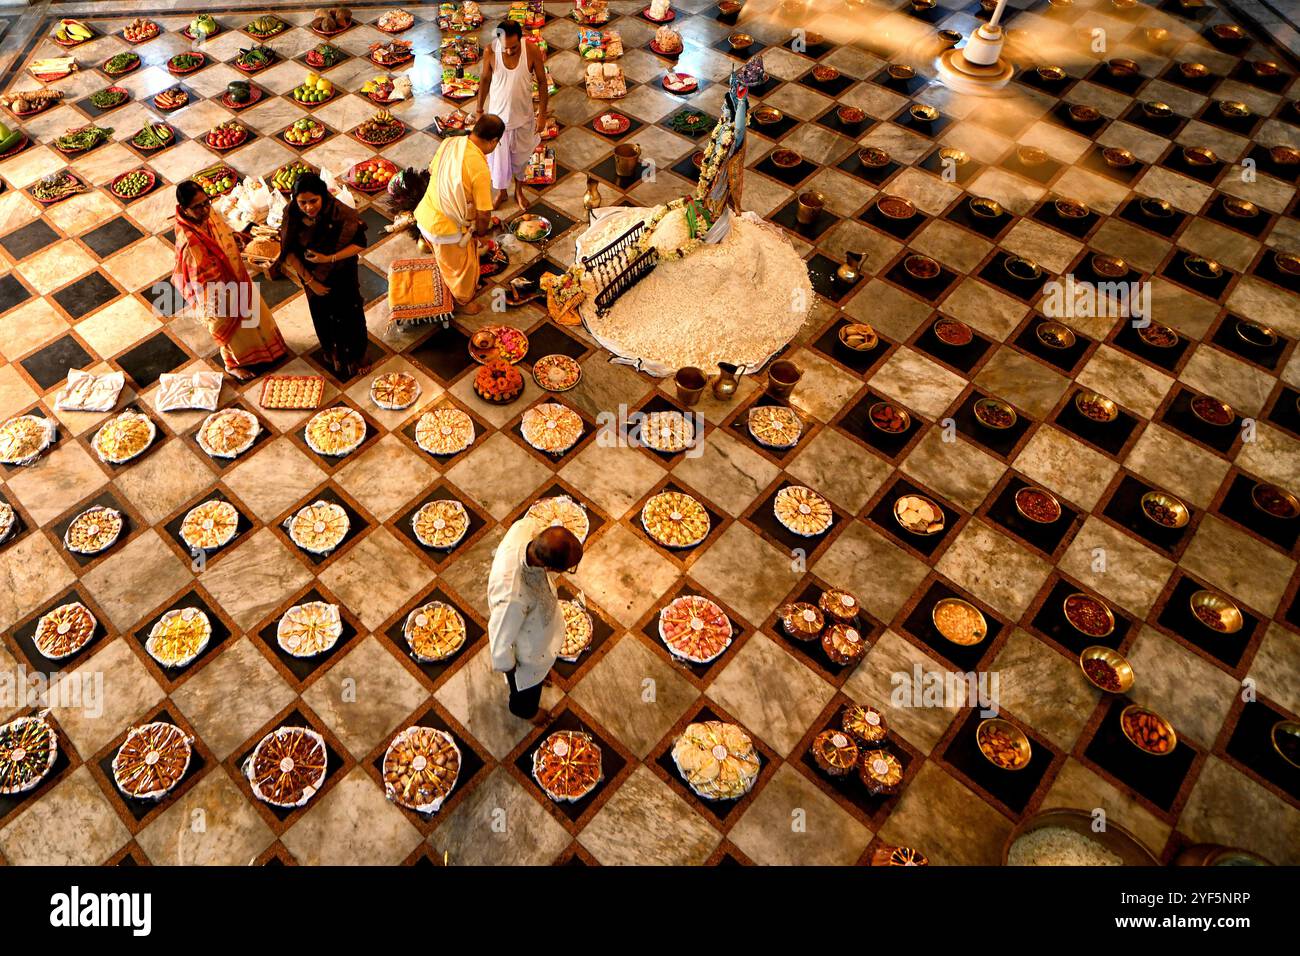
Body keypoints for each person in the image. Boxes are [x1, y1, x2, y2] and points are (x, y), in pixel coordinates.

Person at [171, 180, 287, 381]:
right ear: (184, 209)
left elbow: (221, 230)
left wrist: (233, 237)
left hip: (234, 276)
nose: (204, 209)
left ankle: (266, 351)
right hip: (216, 290)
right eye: (197, 207)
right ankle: (232, 365)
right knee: (227, 325)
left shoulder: (207, 213)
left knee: (252, 313)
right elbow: (200, 276)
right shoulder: (189, 241)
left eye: (206, 202)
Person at [270, 173, 370, 379]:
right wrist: (310, 281)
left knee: (350, 314)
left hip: (342, 272)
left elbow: (359, 244)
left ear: (323, 196)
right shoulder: (292, 214)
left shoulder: (341, 214)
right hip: (311, 276)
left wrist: (329, 258)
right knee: (323, 316)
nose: (308, 207)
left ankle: (357, 356)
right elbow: (288, 251)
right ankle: (334, 354)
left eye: (313, 201)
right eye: (302, 202)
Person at [486, 521, 584, 724]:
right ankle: (527, 712)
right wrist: (521, 672)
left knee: (537, 674)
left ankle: (540, 673)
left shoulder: (523, 532)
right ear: (548, 568)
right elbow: (499, 647)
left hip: (541, 640)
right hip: (527, 656)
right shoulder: (511, 596)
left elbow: (526, 521)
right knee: (526, 692)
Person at [414, 113, 504, 316]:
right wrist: (480, 233)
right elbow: (483, 213)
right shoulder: (479, 168)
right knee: (462, 268)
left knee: (448, 259)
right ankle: (463, 301)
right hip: (444, 229)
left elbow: (433, 171)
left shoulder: (450, 142)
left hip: (425, 213)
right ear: (493, 141)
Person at [474, 19, 547, 212]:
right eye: (505, 47)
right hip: (497, 121)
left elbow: (541, 83)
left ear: (520, 39)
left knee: (521, 159)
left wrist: (542, 115)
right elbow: (485, 80)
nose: (509, 51)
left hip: (524, 117)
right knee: (498, 161)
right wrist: (479, 110)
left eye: (513, 48)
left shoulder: (531, 50)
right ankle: (502, 192)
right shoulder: (490, 51)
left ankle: (519, 192)